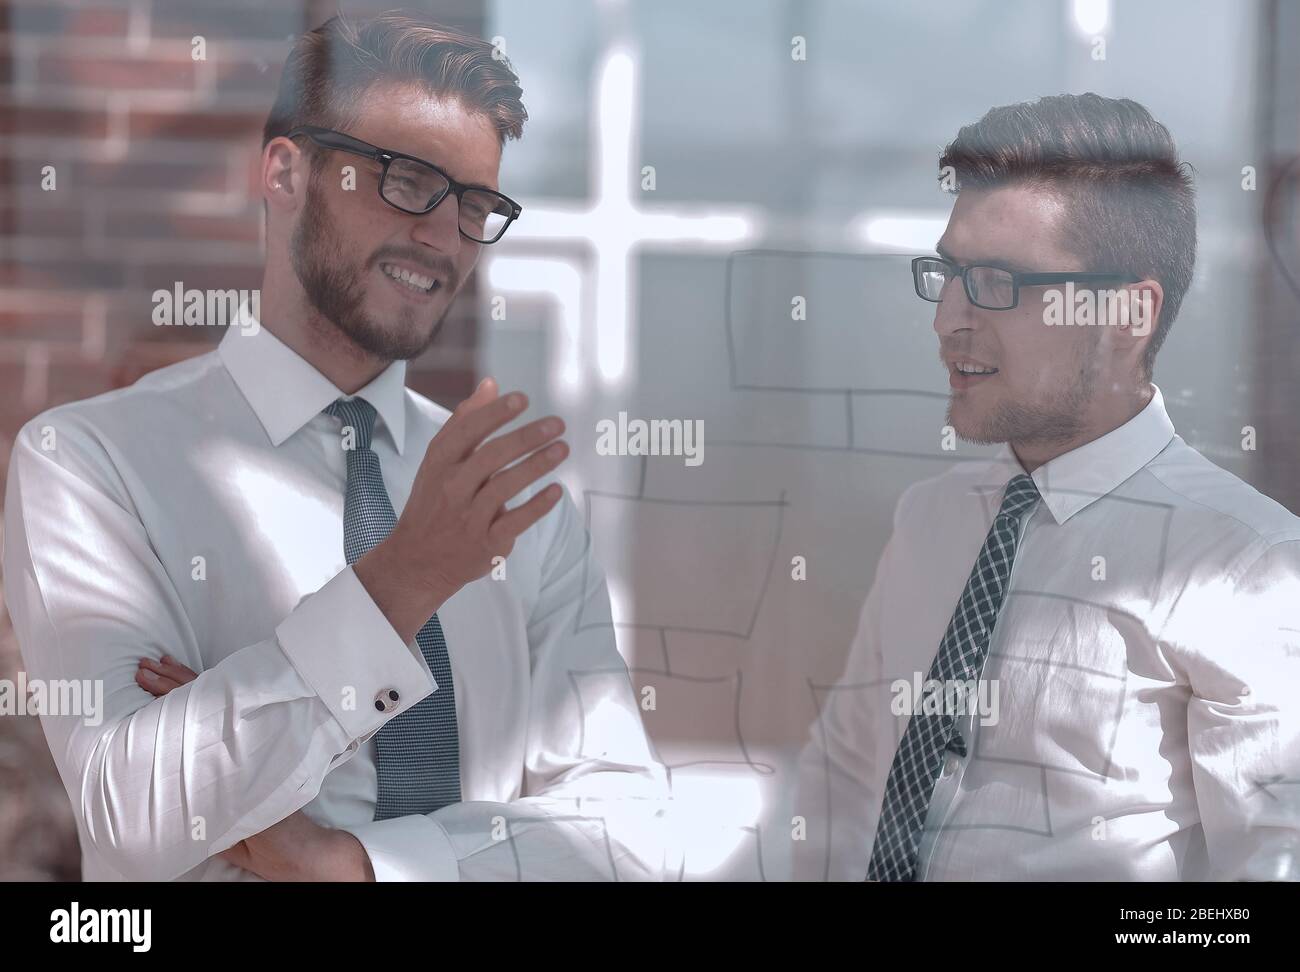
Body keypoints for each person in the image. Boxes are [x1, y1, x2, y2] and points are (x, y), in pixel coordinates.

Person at [3, 11, 669, 882]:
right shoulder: (92, 463)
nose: (443, 235)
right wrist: (404, 581)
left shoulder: (505, 497)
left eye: (475, 205)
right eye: (405, 179)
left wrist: (350, 863)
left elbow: (629, 837)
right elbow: (134, 811)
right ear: (286, 171)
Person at [794, 93, 1300, 881]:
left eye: (997, 281)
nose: (949, 321)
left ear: (1129, 314)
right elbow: (840, 790)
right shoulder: (929, 521)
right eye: (950, 273)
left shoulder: (1249, 566)